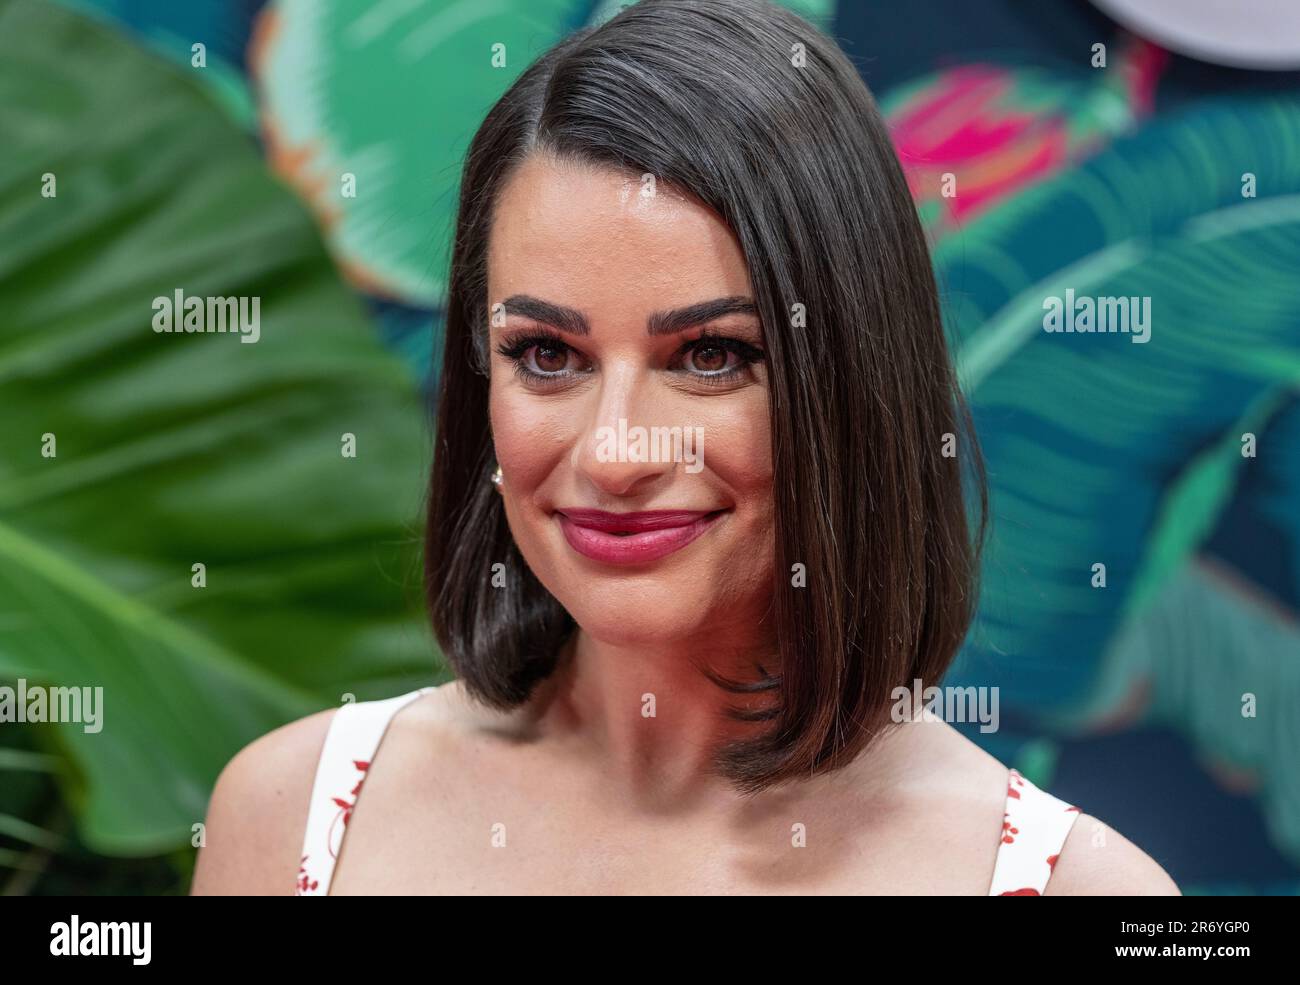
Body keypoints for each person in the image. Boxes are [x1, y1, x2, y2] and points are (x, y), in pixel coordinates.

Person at [192, 0, 1179, 896]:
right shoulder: (292, 818)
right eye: (546, 354)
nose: (617, 452)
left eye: (710, 355)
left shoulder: (1073, 889)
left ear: (852, 378)